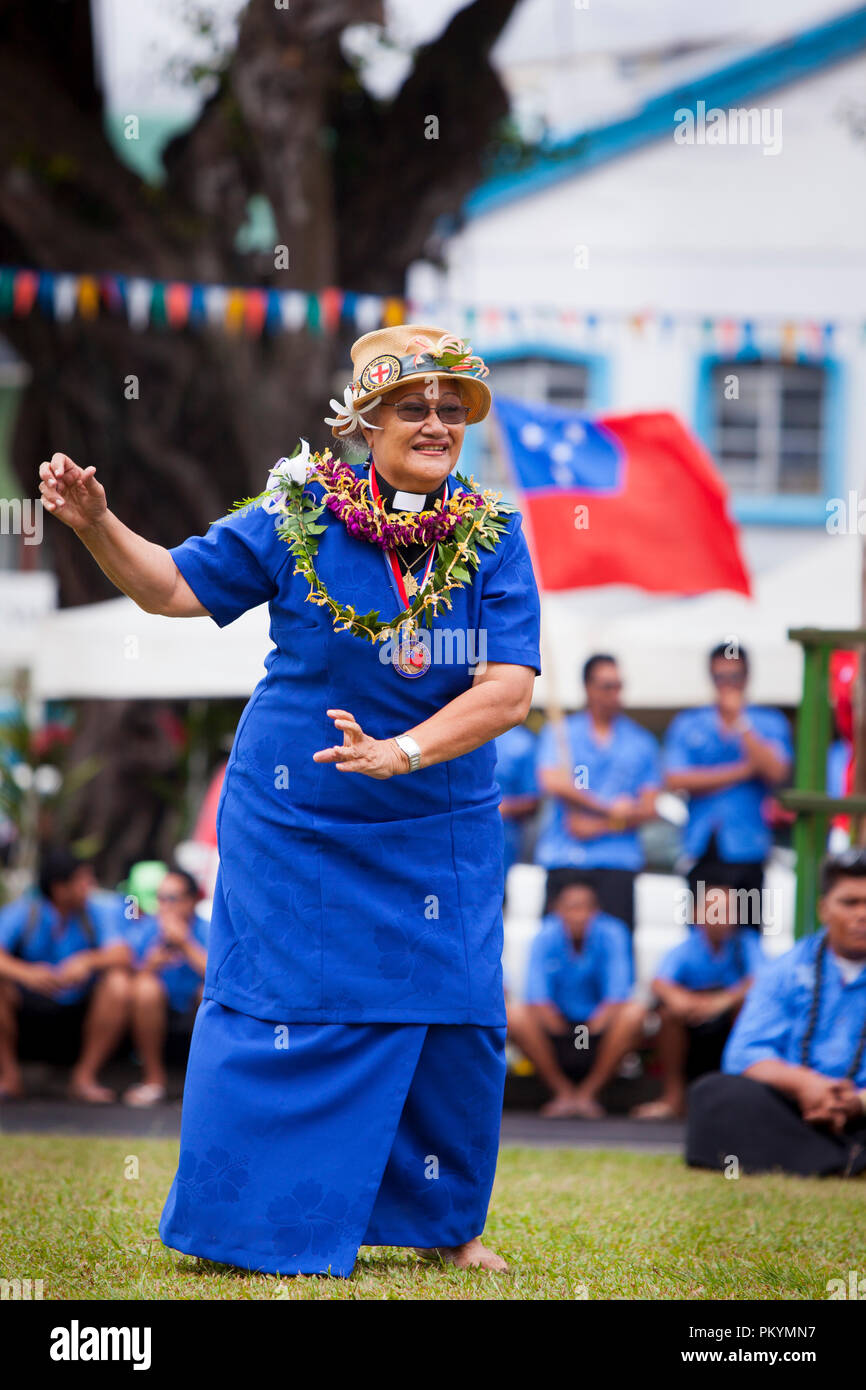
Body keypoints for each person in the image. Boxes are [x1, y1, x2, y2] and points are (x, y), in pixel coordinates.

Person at [38, 322, 541, 1276]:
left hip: (437, 816)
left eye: (450, 409)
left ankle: (445, 1225)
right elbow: (174, 590)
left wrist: (405, 750)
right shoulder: (298, 512)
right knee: (279, 1002)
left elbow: (509, 689)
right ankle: (246, 1228)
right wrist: (97, 523)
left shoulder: (497, 538)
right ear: (367, 422)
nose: (435, 423)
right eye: (413, 407)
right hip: (297, 814)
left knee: (457, 1009)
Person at [686, 851, 866, 1175]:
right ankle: (843, 1159)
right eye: (850, 902)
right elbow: (742, 1053)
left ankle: (817, 1160)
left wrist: (858, 1102)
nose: (862, 914)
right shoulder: (785, 968)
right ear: (824, 909)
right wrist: (806, 1085)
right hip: (799, 1109)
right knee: (713, 1094)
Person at [663, 644, 792, 928]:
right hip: (702, 846)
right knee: (702, 936)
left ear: (747, 678)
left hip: (748, 847)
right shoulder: (689, 723)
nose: (727, 685)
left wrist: (741, 724)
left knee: (746, 935)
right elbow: (675, 779)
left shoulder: (768, 722)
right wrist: (744, 770)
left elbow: (775, 771)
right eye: (720, 677)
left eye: (734, 676)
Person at [534, 654, 660, 932]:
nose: (615, 694)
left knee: (616, 952)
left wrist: (602, 824)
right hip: (565, 859)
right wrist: (608, 808)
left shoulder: (641, 741)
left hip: (617, 863)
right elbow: (552, 781)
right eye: (607, 686)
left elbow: (650, 808)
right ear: (588, 688)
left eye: (618, 686)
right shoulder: (561, 732)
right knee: (557, 954)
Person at [0, 848, 132, 1102]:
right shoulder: (26, 910)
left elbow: (123, 955)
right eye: (83, 880)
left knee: (118, 982)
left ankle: (84, 1077)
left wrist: (88, 961)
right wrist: (27, 973)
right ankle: (9, 1078)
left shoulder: (97, 910)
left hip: (82, 1007)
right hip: (29, 1004)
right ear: (60, 888)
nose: (90, 886)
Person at [630, 880, 765, 1121]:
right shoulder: (687, 947)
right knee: (669, 1015)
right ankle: (673, 1097)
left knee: (746, 1010)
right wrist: (687, 1001)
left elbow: (762, 979)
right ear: (696, 914)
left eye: (727, 911)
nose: (721, 917)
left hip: (730, 1024)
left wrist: (723, 1001)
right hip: (694, 1026)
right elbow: (660, 982)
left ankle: (738, 1097)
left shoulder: (746, 943)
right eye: (714, 910)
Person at [521, 878, 635, 1118]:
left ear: (596, 911)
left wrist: (586, 1032)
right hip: (557, 1027)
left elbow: (617, 996)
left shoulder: (614, 932)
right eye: (572, 908)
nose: (578, 916)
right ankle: (562, 1092)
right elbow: (536, 998)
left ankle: (587, 1093)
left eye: (584, 908)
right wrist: (567, 1033)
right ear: (557, 910)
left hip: (598, 1028)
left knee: (634, 1014)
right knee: (516, 1015)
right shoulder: (544, 934)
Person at [123, 867, 209, 1108]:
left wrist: (185, 944)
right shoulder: (149, 929)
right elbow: (128, 978)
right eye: (160, 898)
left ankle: (204, 1087)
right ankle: (153, 1081)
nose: (164, 906)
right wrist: (150, 965)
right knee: (145, 988)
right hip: (155, 1013)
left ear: (192, 900)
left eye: (172, 898)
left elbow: (219, 979)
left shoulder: (206, 929)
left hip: (194, 1011)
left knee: (207, 994)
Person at [494, 722, 539, 886]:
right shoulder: (456, 730)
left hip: (503, 847)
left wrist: (496, 807)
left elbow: (534, 801)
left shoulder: (522, 742)